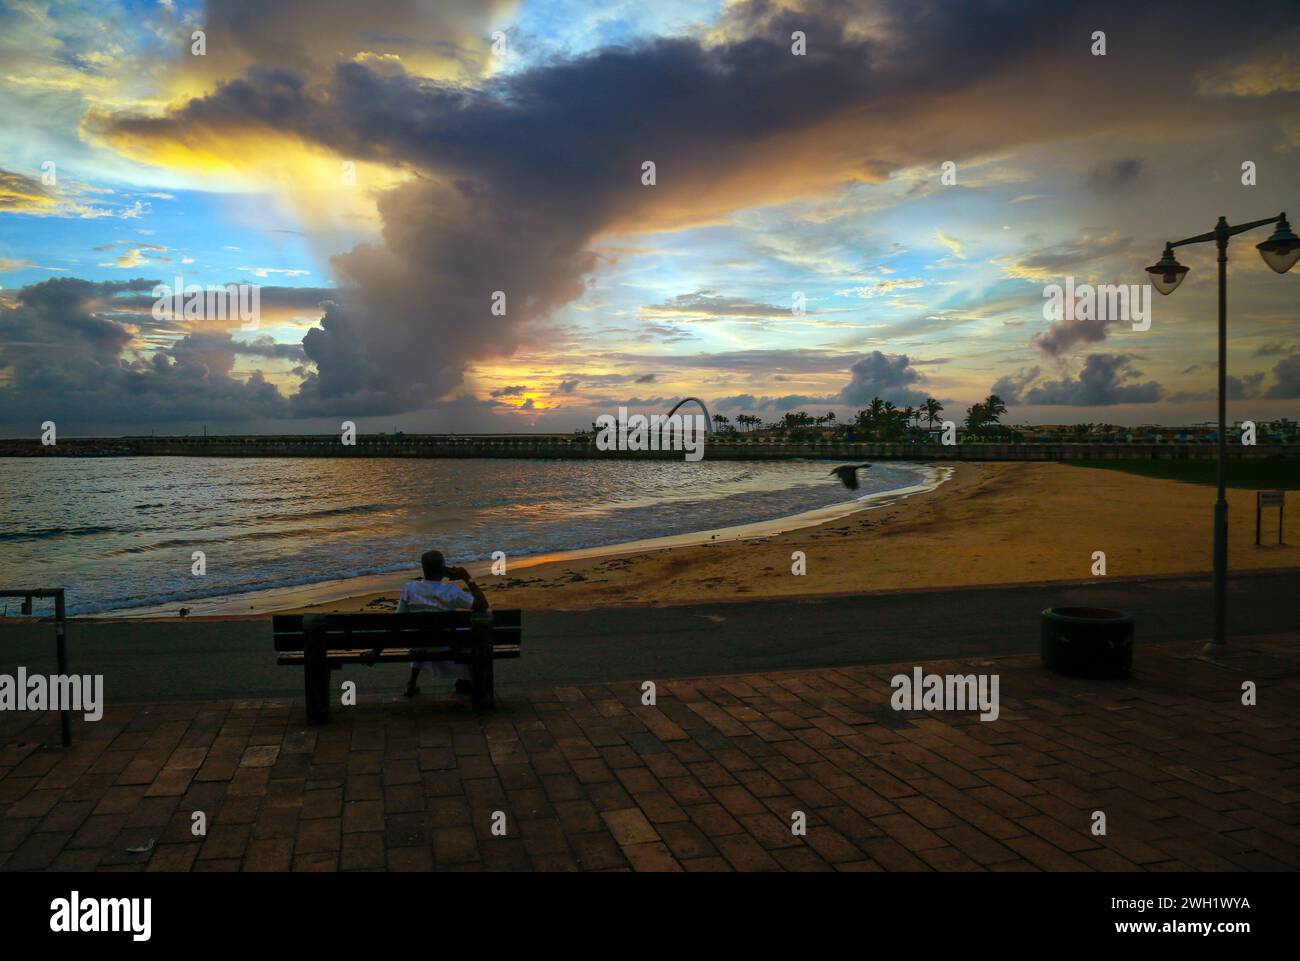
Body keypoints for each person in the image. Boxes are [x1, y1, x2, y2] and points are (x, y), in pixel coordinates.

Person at [369, 550, 489, 697]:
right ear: (443, 570)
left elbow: (396, 622)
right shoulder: (452, 591)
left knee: (422, 635)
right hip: (445, 644)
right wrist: (467, 578)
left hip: (418, 644)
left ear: (423, 568)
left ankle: (411, 683)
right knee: (468, 634)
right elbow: (482, 605)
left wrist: (376, 651)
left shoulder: (409, 588)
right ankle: (465, 680)